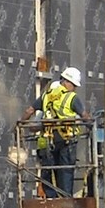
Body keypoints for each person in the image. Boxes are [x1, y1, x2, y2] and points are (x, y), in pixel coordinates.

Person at [26, 66, 84, 197]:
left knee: (48, 171)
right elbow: (84, 115)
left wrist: (18, 126)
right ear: (66, 82)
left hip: (49, 140)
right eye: (74, 85)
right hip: (66, 140)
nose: (74, 88)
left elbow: (29, 111)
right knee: (65, 172)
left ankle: (52, 198)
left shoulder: (46, 96)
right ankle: (66, 199)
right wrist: (91, 123)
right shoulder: (71, 98)